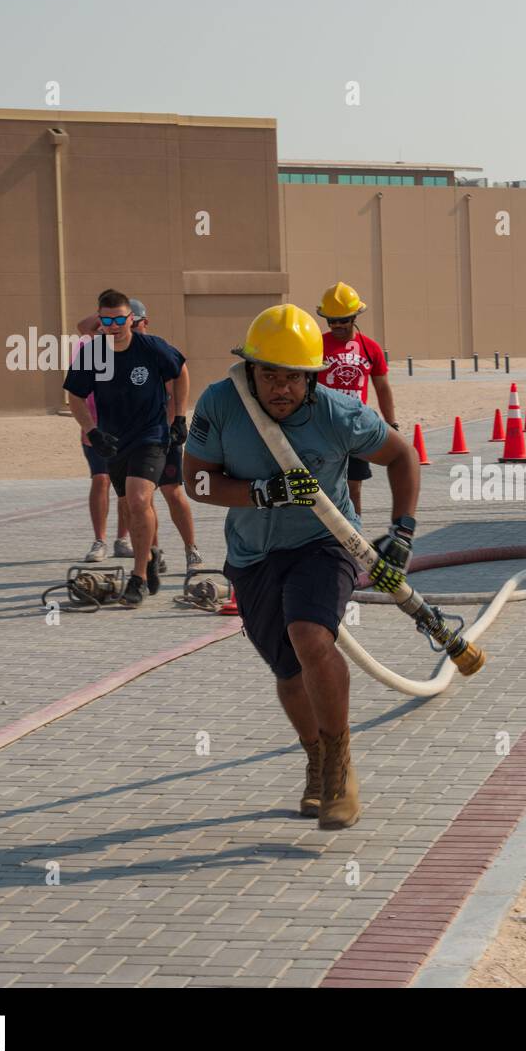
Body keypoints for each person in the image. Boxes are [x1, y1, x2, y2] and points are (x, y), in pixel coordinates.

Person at [183, 304, 420, 829]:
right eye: (270, 374)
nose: (281, 389)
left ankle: (339, 764)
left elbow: (403, 457)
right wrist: (261, 493)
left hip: (324, 542)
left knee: (311, 636)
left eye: (294, 378)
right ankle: (315, 758)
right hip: (251, 555)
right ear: (250, 370)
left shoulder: (339, 413)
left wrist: (402, 531)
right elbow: (195, 482)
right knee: (289, 672)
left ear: (312, 378)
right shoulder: (220, 404)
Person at [64, 289, 189, 607]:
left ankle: (138, 579)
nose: (115, 325)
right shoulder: (93, 353)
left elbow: (181, 371)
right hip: (113, 441)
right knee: (128, 505)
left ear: (131, 319)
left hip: (151, 436)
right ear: (100, 320)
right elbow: (75, 396)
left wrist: (179, 417)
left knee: (138, 499)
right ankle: (150, 554)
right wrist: (92, 430)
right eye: (107, 320)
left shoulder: (152, 347)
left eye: (120, 318)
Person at [315, 282, 398, 516]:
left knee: (354, 488)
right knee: (322, 487)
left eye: (343, 320)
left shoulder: (370, 348)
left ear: (354, 317)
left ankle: (355, 534)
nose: (337, 325)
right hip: (323, 427)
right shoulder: (316, 345)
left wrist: (392, 424)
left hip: (355, 428)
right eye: (331, 320)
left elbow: (382, 388)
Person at [78, 389, 131, 562]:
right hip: (95, 432)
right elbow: (75, 396)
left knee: (124, 484)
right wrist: (89, 428)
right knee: (101, 479)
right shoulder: (84, 362)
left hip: (126, 432)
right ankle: (99, 541)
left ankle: (122, 540)